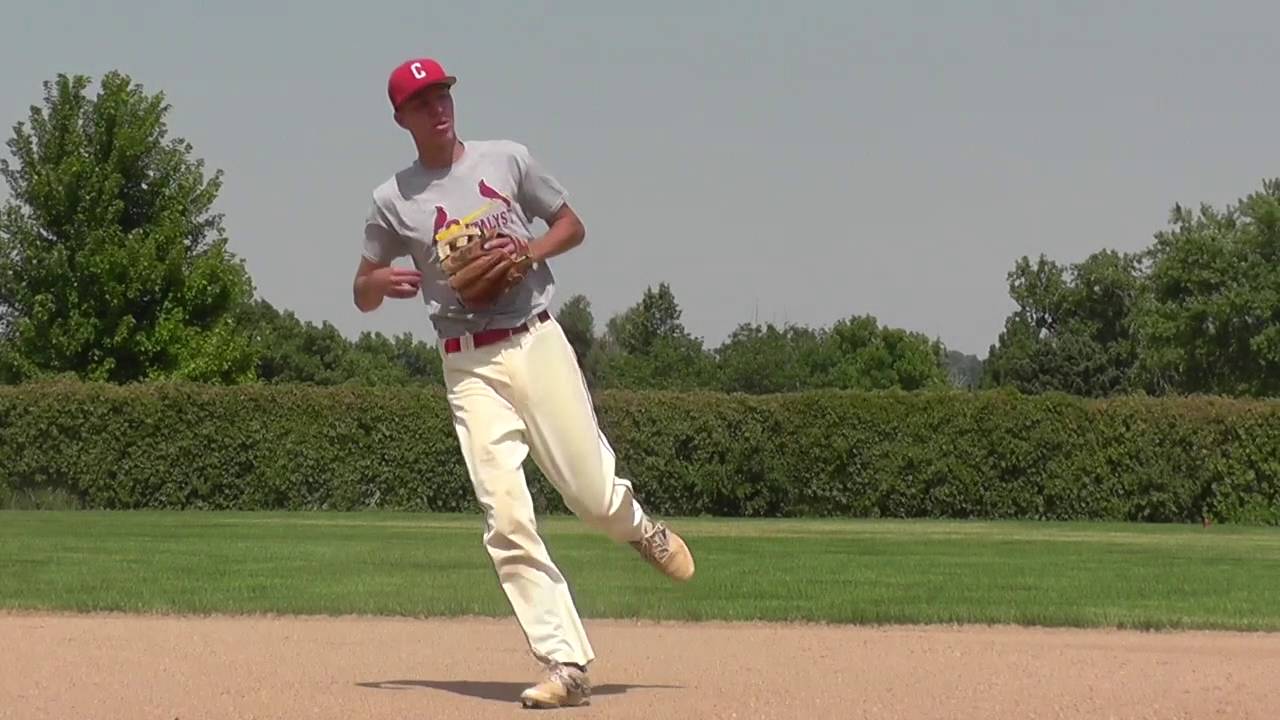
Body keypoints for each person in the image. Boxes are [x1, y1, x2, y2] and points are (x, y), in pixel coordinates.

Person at [352, 56, 696, 709]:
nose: (439, 106)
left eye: (443, 93)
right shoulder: (392, 201)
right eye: (422, 101)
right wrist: (376, 283)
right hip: (467, 363)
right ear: (402, 118)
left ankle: (637, 526)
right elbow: (361, 289)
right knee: (505, 513)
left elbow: (572, 224)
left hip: (534, 339)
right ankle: (564, 663)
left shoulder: (506, 159)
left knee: (590, 496)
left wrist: (528, 253)